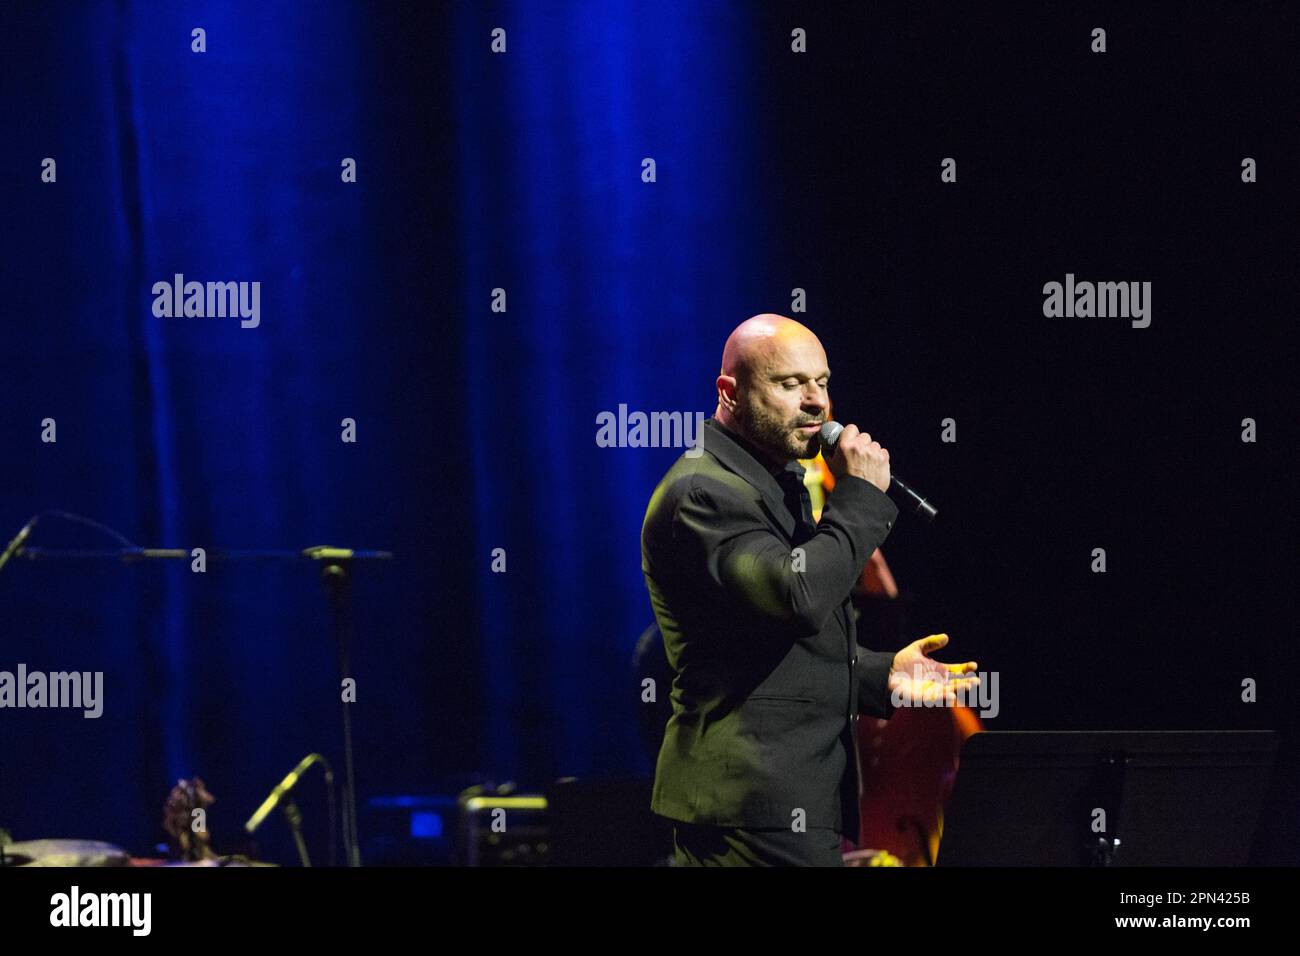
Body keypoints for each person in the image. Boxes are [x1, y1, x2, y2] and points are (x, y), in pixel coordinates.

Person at [641, 313, 978, 866]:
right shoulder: (704, 491)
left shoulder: (771, 482)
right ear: (730, 392)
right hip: (747, 805)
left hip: (783, 802)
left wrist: (877, 672)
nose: (817, 401)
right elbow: (797, 596)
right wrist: (862, 497)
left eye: (821, 382)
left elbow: (772, 641)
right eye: (790, 383)